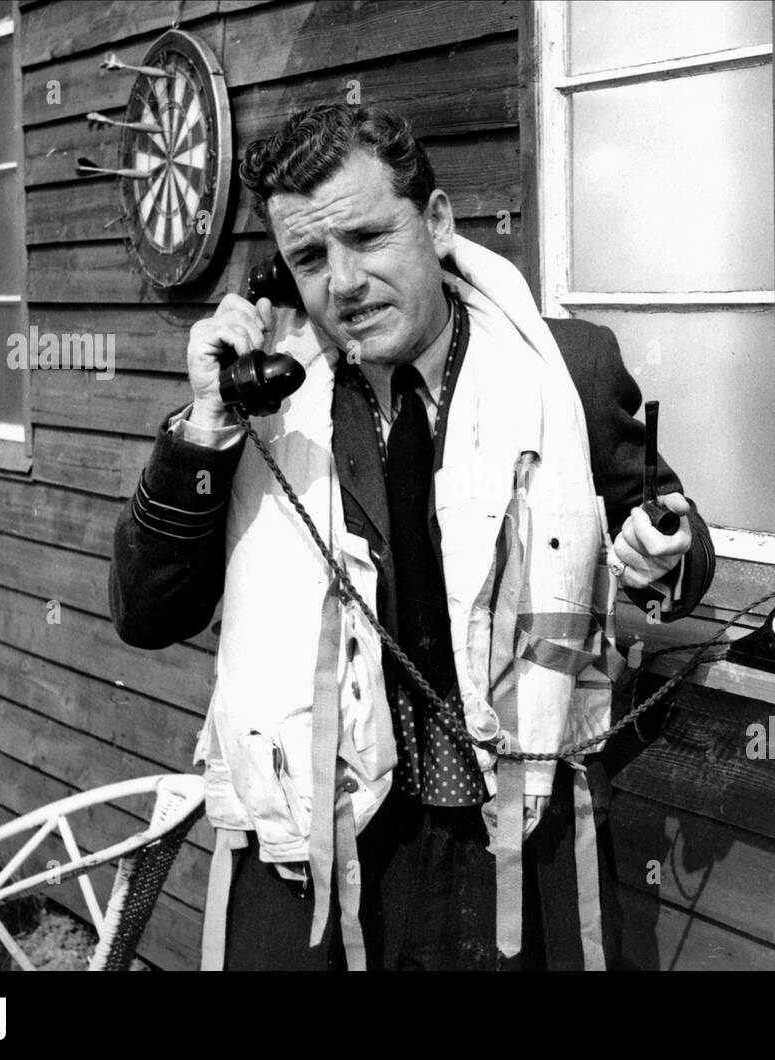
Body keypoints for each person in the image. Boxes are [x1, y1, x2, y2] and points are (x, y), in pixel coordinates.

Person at [109, 103, 715, 971]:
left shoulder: (564, 370)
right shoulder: (263, 407)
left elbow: (678, 545)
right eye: (310, 257)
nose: (343, 283)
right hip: (319, 836)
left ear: (435, 223)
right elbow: (146, 611)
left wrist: (665, 552)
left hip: (511, 828)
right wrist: (206, 424)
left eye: (367, 237)